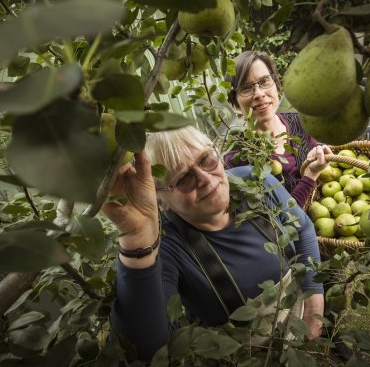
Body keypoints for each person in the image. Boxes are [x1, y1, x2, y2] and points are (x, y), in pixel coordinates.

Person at [102, 126, 324, 361]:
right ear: (162, 200)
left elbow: (302, 228)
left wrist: (314, 303)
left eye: (206, 159)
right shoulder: (168, 246)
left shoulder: (255, 181)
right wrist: (137, 240)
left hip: (301, 324)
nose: (206, 179)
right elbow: (146, 350)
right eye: (184, 178)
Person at [224, 51, 332, 208]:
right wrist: (310, 175)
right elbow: (278, 223)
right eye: (246, 88)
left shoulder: (299, 122)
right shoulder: (237, 159)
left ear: (276, 84)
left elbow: (325, 176)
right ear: (235, 102)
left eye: (264, 81)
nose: (259, 94)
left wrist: (323, 159)